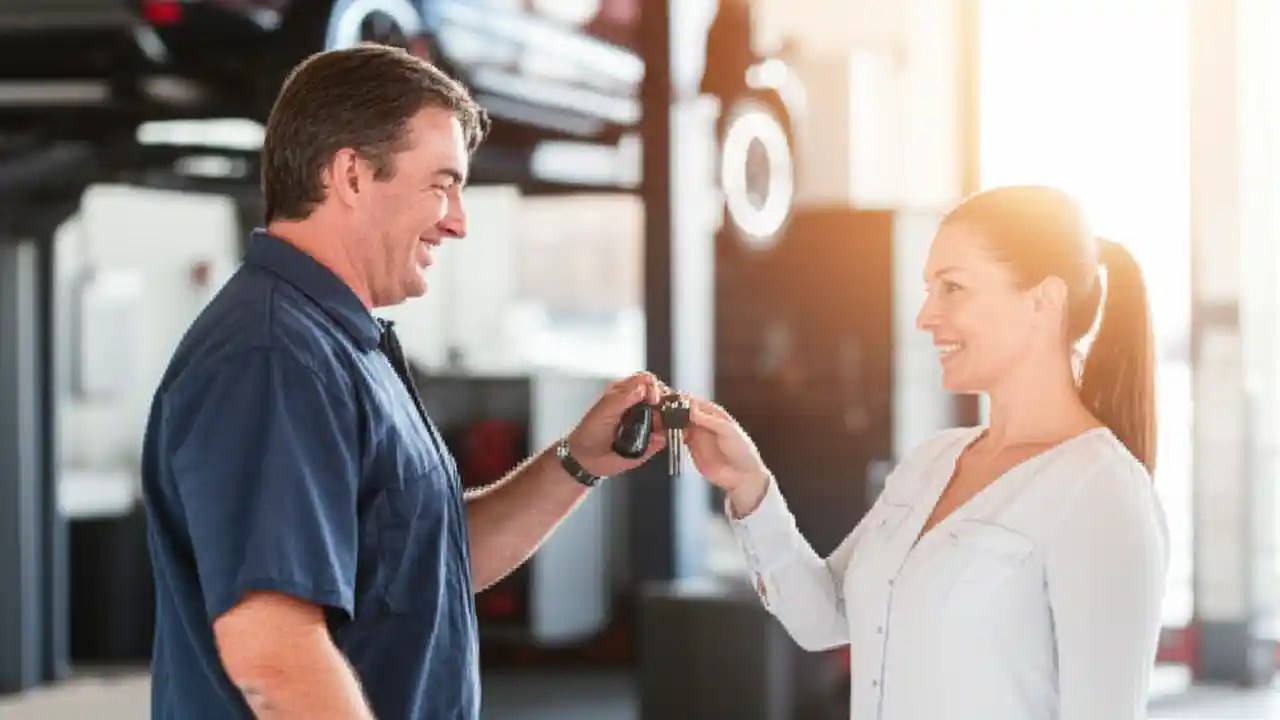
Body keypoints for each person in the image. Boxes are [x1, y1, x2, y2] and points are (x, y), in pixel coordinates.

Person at [140, 45, 670, 719]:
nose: (458, 221)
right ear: (352, 176)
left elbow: (430, 565)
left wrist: (579, 461)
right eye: (441, 185)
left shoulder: (340, 344)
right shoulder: (272, 359)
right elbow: (274, 653)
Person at [682, 186, 1169, 720]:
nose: (925, 316)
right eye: (929, 289)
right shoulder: (930, 462)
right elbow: (824, 617)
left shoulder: (1102, 492)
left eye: (952, 288)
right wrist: (750, 486)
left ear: (1043, 302)